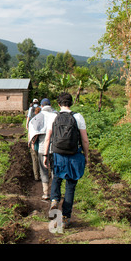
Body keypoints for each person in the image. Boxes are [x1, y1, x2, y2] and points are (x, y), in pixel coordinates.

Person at [43, 93, 90, 228]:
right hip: (74, 155)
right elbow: (85, 140)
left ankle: (54, 200)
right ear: (71, 103)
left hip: (58, 154)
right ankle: (65, 218)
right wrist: (86, 156)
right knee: (70, 185)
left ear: (58, 104)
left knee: (57, 178)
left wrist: (45, 155)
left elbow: (48, 138)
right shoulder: (78, 117)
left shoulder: (54, 116)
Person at [28, 98, 57, 200]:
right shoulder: (56, 116)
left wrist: (31, 143)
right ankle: (55, 193)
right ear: (50, 105)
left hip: (41, 147)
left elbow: (33, 132)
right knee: (54, 169)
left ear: (41, 106)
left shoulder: (38, 117)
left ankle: (45, 193)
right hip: (55, 147)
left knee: (43, 169)